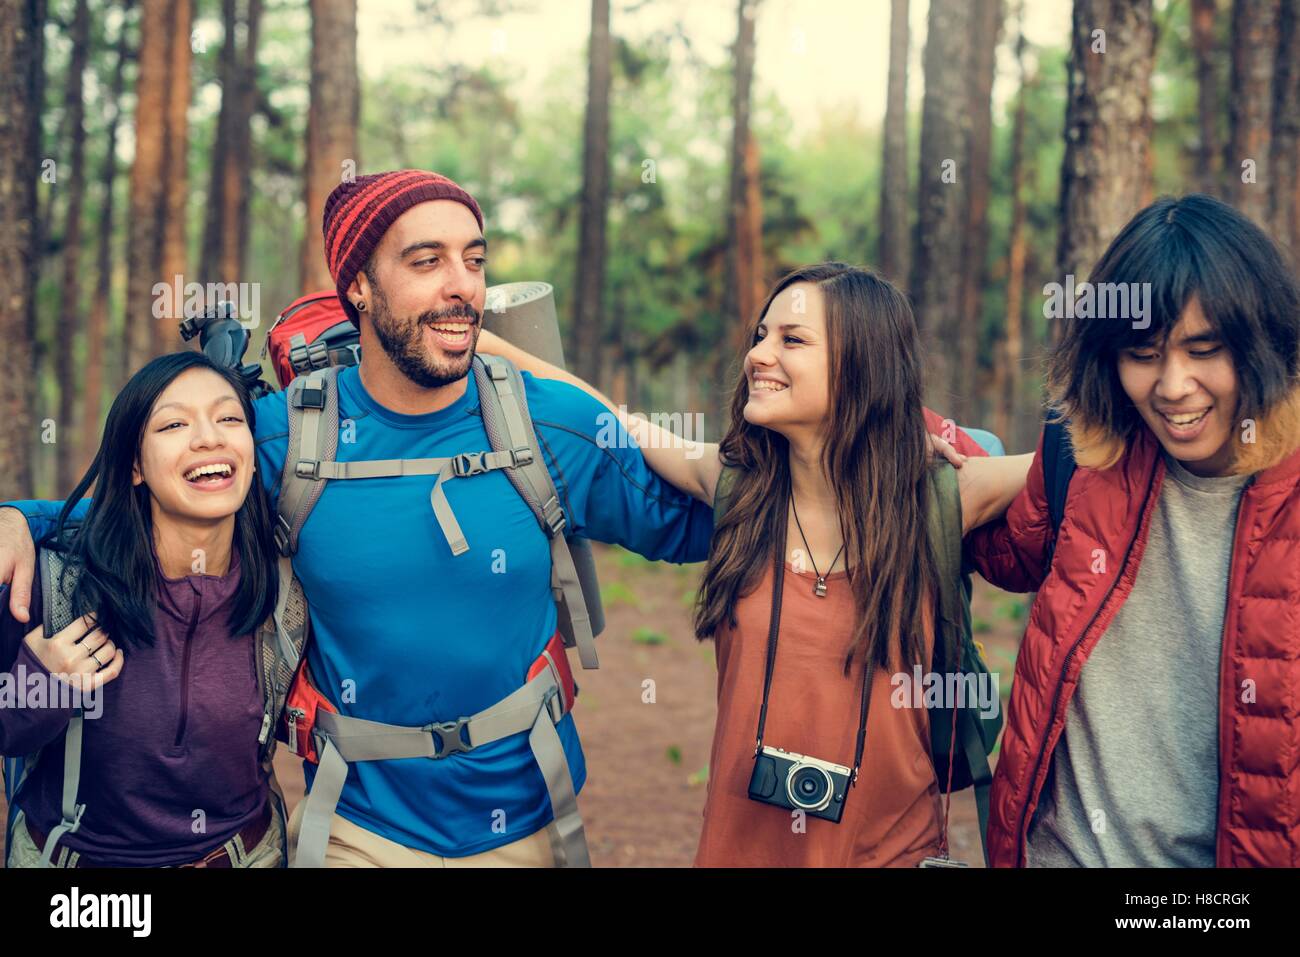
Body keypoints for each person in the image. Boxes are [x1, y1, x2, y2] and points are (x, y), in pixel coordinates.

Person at [0, 169, 714, 868]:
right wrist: (17, 519)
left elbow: (694, 524)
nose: (461, 282)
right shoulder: (283, 439)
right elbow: (149, 502)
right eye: (426, 260)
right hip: (354, 829)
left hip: (526, 820)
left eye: (474, 259)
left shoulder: (543, 421)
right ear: (360, 288)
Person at [479, 262, 1033, 866]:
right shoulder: (738, 487)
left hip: (892, 851)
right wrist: (483, 342)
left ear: (864, 365)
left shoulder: (942, 495)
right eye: (761, 336)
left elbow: (1083, 459)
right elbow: (610, 419)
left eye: (792, 340)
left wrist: (913, 429)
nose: (759, 355)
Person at [965, 194, 1300, 867]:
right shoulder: (1085, 453)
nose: (1173, 386)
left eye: (1204, 350)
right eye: (1143, 354)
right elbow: (1002, 549)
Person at [2, 352, 284, 867]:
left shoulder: (286, 590)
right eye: (174, 423)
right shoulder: (54, 584)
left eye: (229, 418)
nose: (208, 438)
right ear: (134, 465)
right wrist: (38, 685)